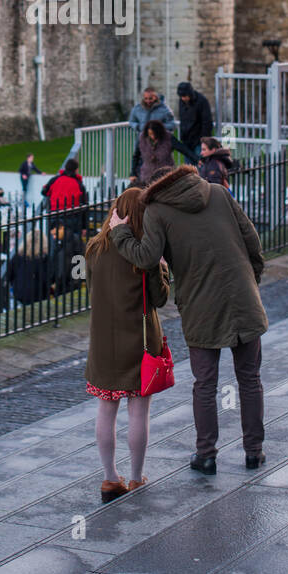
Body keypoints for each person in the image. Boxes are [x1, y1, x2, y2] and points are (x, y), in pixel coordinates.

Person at [110, 163, 267, 474]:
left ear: (154, 188)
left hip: (201, 306)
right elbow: (253, 242)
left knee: (205, 384)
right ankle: (254, 451)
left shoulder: (157, 211)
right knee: (250, 379)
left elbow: (146, 258)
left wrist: (120, 233)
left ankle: (206, 455)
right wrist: (251, 279)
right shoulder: (219, 193)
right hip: (242, 297)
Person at [85, 186, 169, 501]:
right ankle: (135, 478)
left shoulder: (94, 248)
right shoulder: (144, 254)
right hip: (140, 341)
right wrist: (161, 266)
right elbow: (160, 298)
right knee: (138, 413)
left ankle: (109, 478)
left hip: (104, 342)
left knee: (106, 409)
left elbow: (93, 292)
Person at [131, 119, 196, 186]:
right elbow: (136, 156)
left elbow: (183, 149)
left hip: (166, 176)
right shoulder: (142, 138)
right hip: (147, 176)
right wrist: (133, 173)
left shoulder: (168, 138)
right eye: (150, 134)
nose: (152, 136)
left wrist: (196, 158)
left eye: (154, 134)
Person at [175, 82, 213, 158]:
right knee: (189, 167)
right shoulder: (182, 101)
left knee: (201, 166)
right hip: (187, 141)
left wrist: (203, 140)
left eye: (185, 96)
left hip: (199, 141)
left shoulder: (202, 101)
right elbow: (183, 120)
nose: (183, 98)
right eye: (181, 96)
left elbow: (207, 122)